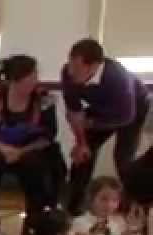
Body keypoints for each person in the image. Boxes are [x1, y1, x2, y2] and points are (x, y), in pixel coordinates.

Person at [62, 39, 152, 216]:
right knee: (83, 156)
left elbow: (126, 117)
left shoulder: (118, 79)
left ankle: (134, 204)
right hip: (100, 109)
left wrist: (94, 124)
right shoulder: (68, 73)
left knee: (122, 158)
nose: (71, 72)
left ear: (94, 66)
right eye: (70, 64)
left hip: (132, 111)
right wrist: (81, 142)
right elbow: (74, 110)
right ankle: (74, 207)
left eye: (77, 68)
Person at [0, 54, 66, 211]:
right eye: (30, 77)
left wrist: (20, 151)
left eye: (35, 76)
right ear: (14, 79)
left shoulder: (44, 100)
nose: (34, 81)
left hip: (31, 149)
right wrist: (4, 149)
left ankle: (37, 219)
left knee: (38, 169)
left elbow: (48, 136)